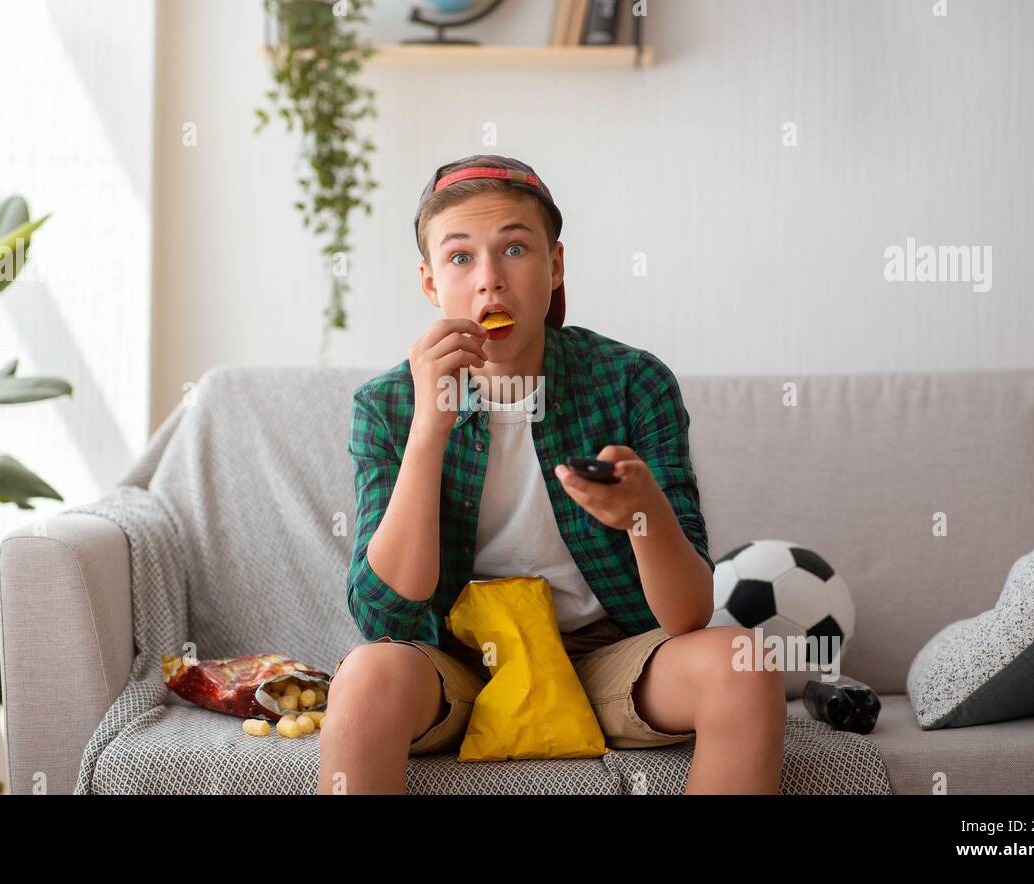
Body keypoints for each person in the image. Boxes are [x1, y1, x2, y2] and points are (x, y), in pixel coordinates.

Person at [316, 154, 785, 795]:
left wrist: (642, 514)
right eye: (460, 258)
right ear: (430, 285)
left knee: (744, 662)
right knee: (365, 677)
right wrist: (430, 428)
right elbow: (385, 617)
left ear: (555, 266)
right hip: (458, 663)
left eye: (514, 248)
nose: (490, 282)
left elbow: (688, 616)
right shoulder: (388, 405)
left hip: (605, 657)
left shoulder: (632, 382)